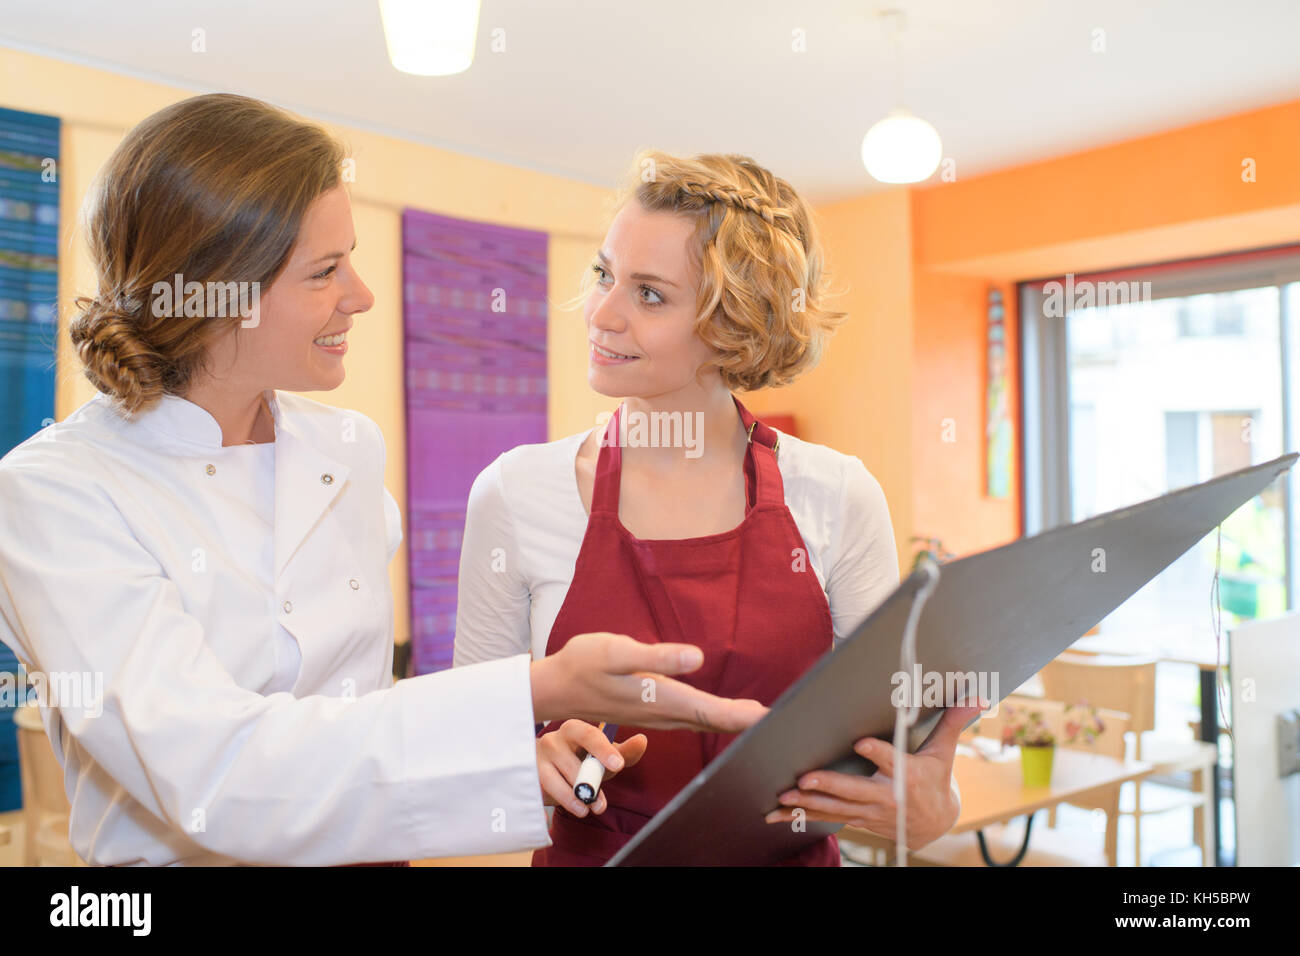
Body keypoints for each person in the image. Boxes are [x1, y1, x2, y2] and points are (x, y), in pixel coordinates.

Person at [0, 96, 764, 867]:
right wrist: (529, 693)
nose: (361, 294)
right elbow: (217, 773)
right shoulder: (55, 494)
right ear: (216, 294)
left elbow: (355, 716)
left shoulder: (349, 450)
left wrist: (503, 750)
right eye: (325, 271)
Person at [454, 150, 975, 866]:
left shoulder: (838, 496)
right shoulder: (515, 494)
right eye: (605, 274)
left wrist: (932, 804)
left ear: (733, 324)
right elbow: (464, 744)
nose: (601, 314)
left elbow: (887, 746)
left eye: (650, 295)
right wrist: (527, 761)